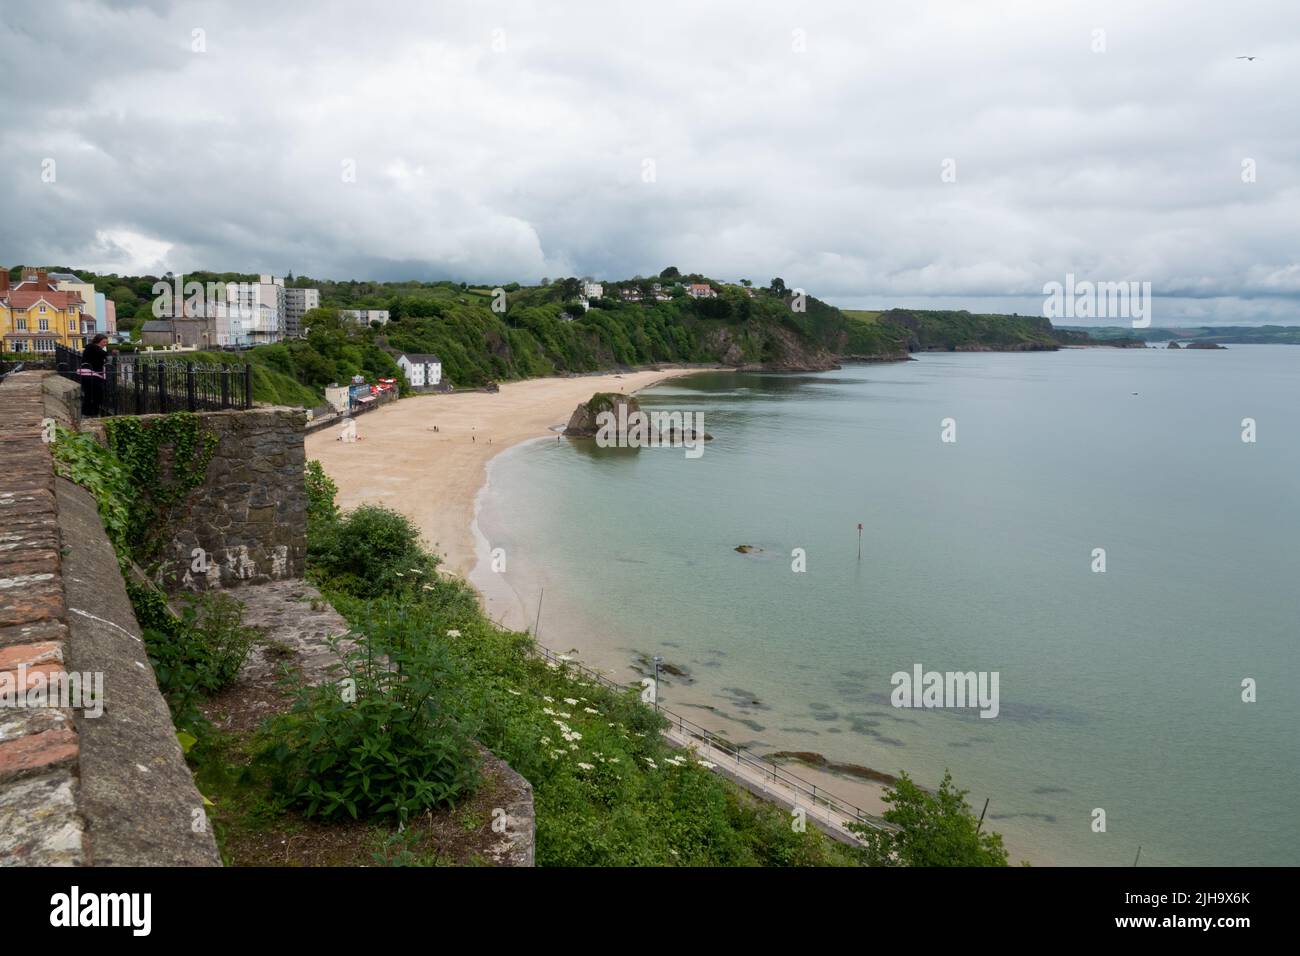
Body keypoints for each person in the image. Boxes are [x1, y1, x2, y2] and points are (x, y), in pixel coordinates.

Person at [79, 334, 109, 417]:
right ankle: (91, 413)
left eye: (106, 342)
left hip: (92, 374)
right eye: (104, 342)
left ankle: (88, 413)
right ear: (98, 341)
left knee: (90, 394)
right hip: (91, 374)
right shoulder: (93, 347)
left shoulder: (92, 348)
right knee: (96, 394)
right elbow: (104, 354)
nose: (105, 344)